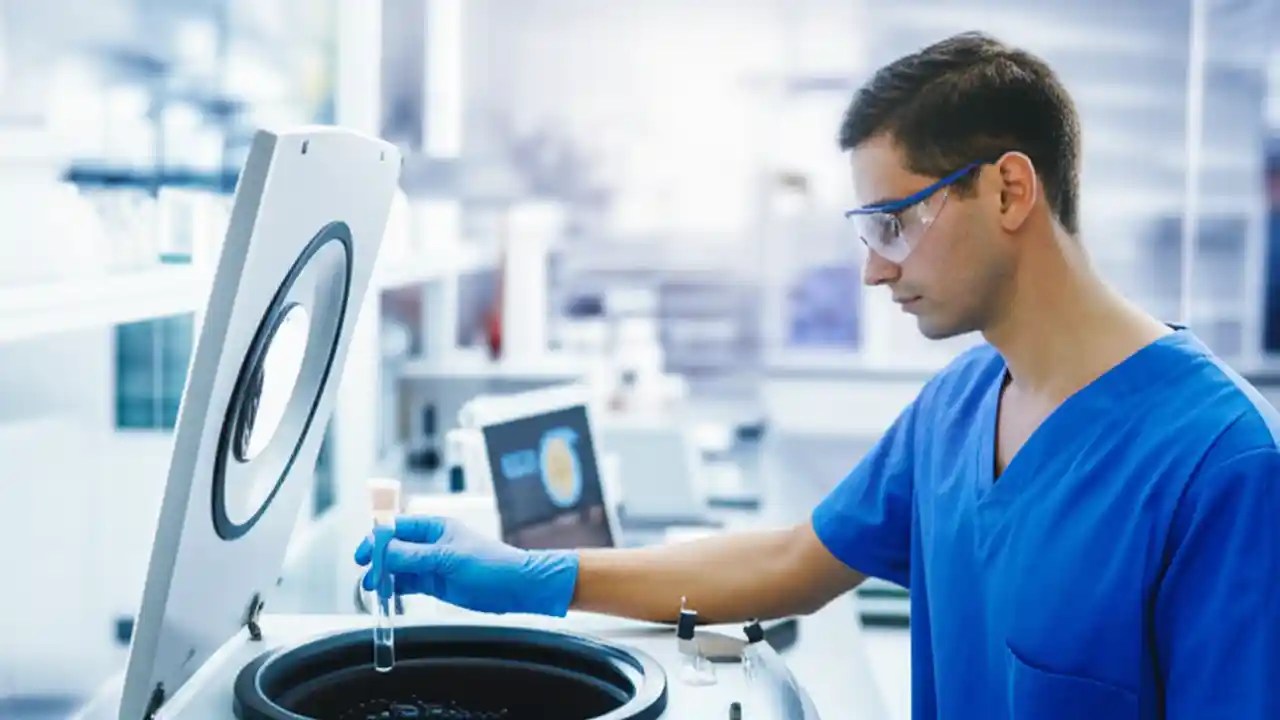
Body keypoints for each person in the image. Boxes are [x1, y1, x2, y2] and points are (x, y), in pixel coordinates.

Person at [355, 32, 1279, 719]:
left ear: (1008, 191)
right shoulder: (955, 410)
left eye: (893, 223)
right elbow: (788, 564)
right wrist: (532, 575)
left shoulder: (1221, 466)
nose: (874, 269)